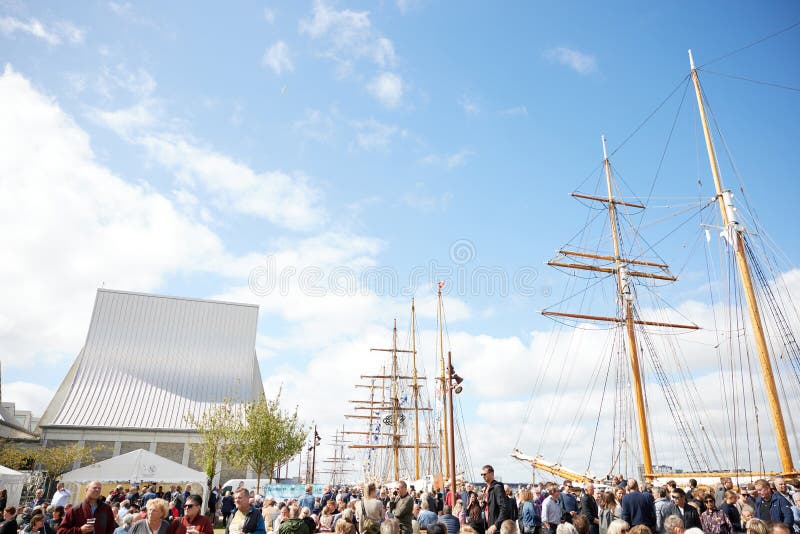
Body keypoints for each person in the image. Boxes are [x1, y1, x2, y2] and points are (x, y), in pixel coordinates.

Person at [481, 466, 511, 534]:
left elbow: (504, 507)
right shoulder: (487, 488)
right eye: (481, 474)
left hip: (495, 527)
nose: (483, 476)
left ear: (491, 474)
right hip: (488, 525)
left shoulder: (497, 487)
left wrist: (496, 525)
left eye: (484, 474)